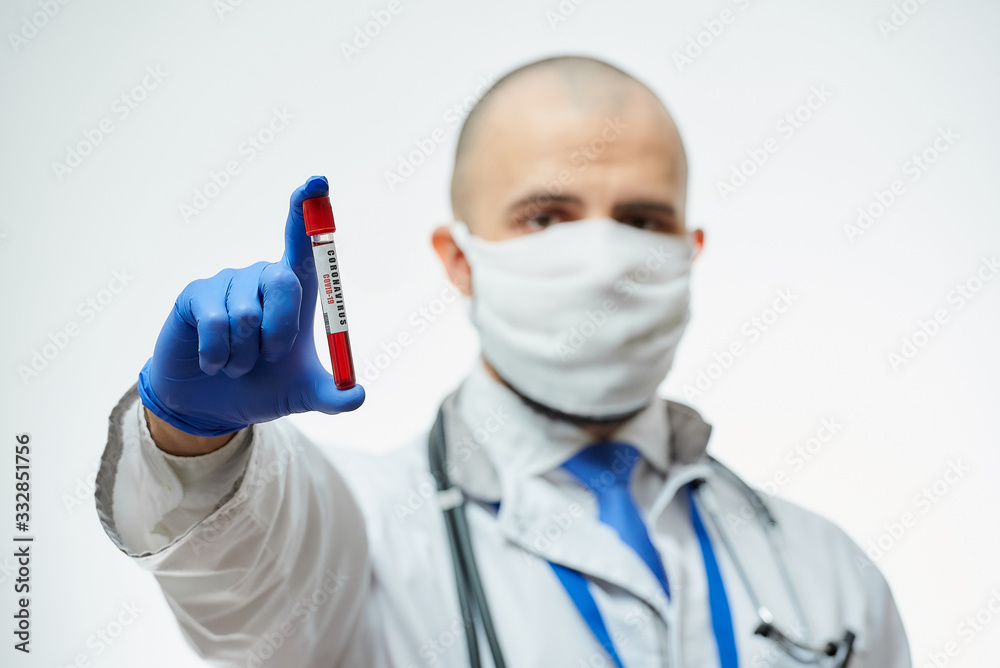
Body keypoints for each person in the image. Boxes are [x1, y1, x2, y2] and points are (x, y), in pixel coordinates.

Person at [94, 56, 910, 667]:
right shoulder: (362, 535)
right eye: (545, 216)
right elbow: (242, 568)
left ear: (688, 252)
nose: (601, 255)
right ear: (459, 258)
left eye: (641, 218)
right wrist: (192, 437)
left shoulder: (829, 574)